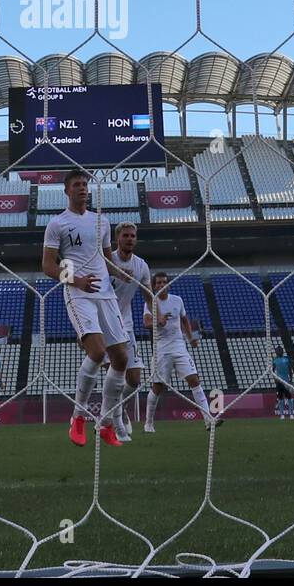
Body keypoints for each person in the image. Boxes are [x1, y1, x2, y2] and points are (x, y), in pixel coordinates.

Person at [42, 169, 130, 448]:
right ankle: (78, 416)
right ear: (66, 190)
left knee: (121, 359)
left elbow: (106, 260)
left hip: (106, 294)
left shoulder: (101, 221)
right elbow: (47, 265)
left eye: (85, 184)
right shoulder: (57, 223)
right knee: (97, 351)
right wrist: (76, 280)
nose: (82, 188)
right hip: (78, 294)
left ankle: (105, 424)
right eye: (76, 185)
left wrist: (120, 272)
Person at [143, 272, 221, 431]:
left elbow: (184, 319)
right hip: (162, 348)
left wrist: (191, 337)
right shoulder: (151, 302)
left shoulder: (177, 300)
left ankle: (208, 419)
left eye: (164, 282)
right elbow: (146, 322)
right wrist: (159, 321)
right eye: (158, 283)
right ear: (154, 285)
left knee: (194, 379)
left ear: (169, 284)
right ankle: (149, 422)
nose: (161, 285)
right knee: (157, 387)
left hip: (179, 346)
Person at [109, 222, 152, 442]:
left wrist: (154, 313)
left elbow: (148, 295)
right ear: (118, 239)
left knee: (134, 379)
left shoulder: (141, 266)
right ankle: (116, 425)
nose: (130, 239)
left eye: (133, 236)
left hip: (126, 324)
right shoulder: (107, 260)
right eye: (126, 235)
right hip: (104, 324)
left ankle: (119, 409)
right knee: (115, 377)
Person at [272, 345, 294, 419]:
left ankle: (291, 414)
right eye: (277, 350)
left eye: (280, 350)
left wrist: (291, 379)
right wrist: (275, 379)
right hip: (279, 381)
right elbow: (273, 371)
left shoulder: (286, 359)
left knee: (289, 397)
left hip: (286, 381)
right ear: (276, 352)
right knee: (280, 397)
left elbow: (290, 370)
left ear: (282, 351)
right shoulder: (275, 360)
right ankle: (282, 414)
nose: (279, 352)